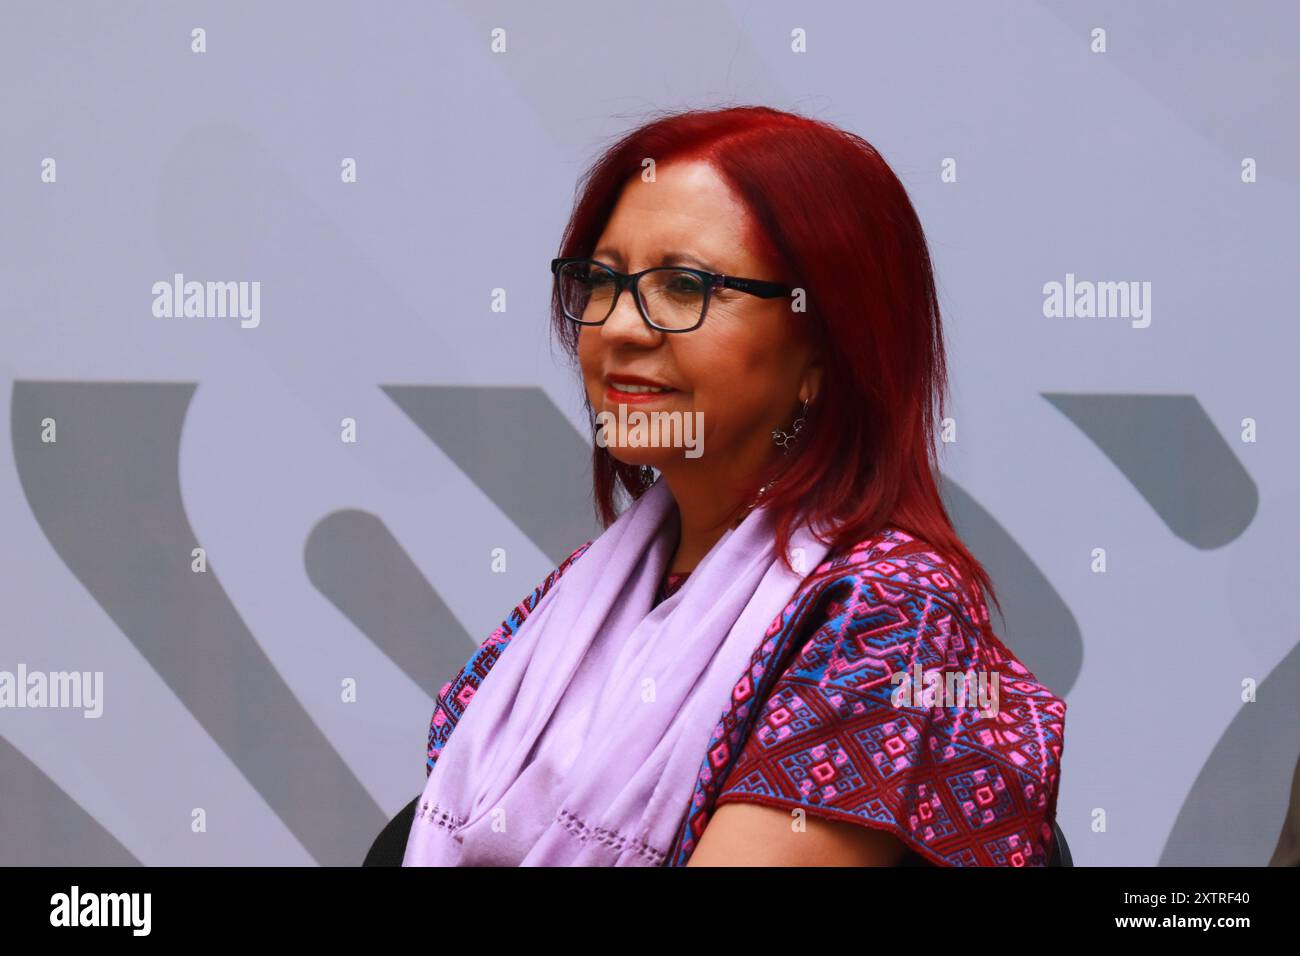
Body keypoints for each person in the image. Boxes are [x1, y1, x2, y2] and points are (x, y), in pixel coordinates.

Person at [400, 105, 1067, 867]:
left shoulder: (892, 618)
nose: (619, 326)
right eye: (602, 280)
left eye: (684, 286)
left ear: (826, 348)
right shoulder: (575, 600)